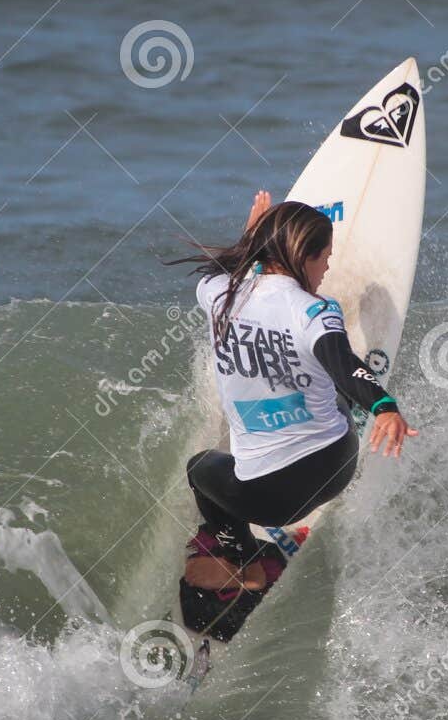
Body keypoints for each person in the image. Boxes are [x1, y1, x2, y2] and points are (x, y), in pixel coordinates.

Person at [170, 190, 417, 595]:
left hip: (266, 502)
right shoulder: (314, 310)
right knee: (326, 378)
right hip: (335, 464)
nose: (327, 267)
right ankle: (346, 413)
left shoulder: (217, 294)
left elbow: (223, 269)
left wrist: (250, 239)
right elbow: (344, 364)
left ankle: (244, 564)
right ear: (304, 258)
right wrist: (383, 406)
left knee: (200, 468)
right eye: (325, 258)